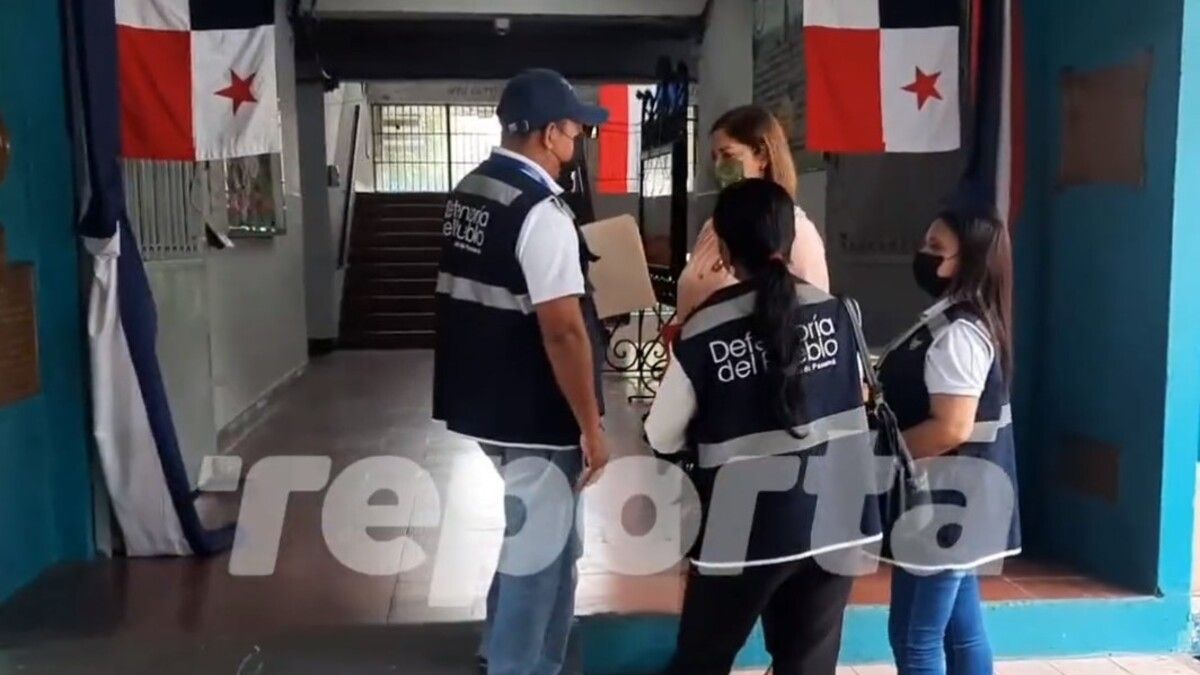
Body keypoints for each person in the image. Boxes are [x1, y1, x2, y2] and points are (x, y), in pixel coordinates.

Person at [644, 179, 880, 675]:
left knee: (703, 660)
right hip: (837, 514)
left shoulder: (705, 329)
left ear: (724, 252)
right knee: (806, 664)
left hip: (743, 521)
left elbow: (662, 434)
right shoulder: (841, 313)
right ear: (790, 240)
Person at [432, 68, 612, 675]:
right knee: (543, 551)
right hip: (535, 407)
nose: (579, 141)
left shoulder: (472, 189)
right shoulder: (540, 210)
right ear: (548, 133)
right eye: (575, 129)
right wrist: (592, 424)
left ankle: (509, 652)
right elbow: (562, 330)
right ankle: (520, 663)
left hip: (482, 396)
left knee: (542, 536)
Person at [876, 202, 1022, 675]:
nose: (924, 254)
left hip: (948, 505)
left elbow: (951, 427)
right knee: (962, 632)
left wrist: (881, 457)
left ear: (970, 261)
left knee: (916, 639)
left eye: (936, 248)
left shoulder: (960, 333)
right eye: (925, 243)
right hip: (957, 502)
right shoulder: (953, 319)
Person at [673, 105, 829, 329]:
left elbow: (814, 317)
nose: (719, 167)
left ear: (762, 156)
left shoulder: (796, 232)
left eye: (728, 155)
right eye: (714, 157)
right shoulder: (713, 226)